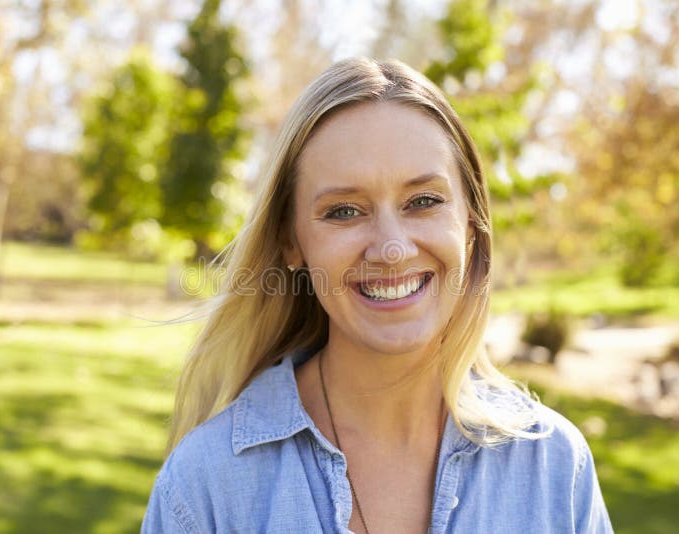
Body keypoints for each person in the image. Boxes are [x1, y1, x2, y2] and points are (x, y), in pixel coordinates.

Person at [142, 57, 613, 533]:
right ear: (290, 240)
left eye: (424, 201)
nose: (391, 249)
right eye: (345, 211)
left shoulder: (554, 466)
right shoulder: (205, 488)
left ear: (470, 221)